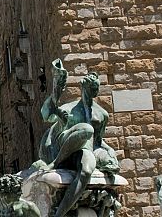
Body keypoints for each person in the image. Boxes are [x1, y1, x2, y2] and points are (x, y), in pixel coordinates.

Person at [37, 60, 117, 217]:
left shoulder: (102, 114)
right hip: (65, 149)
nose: (94, 91)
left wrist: (110, 152)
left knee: (86, 170)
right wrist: (56, 101)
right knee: (87, 129)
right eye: (92, 87)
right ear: (84, 87)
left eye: (96, 88)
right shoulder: (70, 108)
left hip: (85, 151)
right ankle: (55, 163)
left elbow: (98, 141)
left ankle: (59, 213)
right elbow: (46, 115)